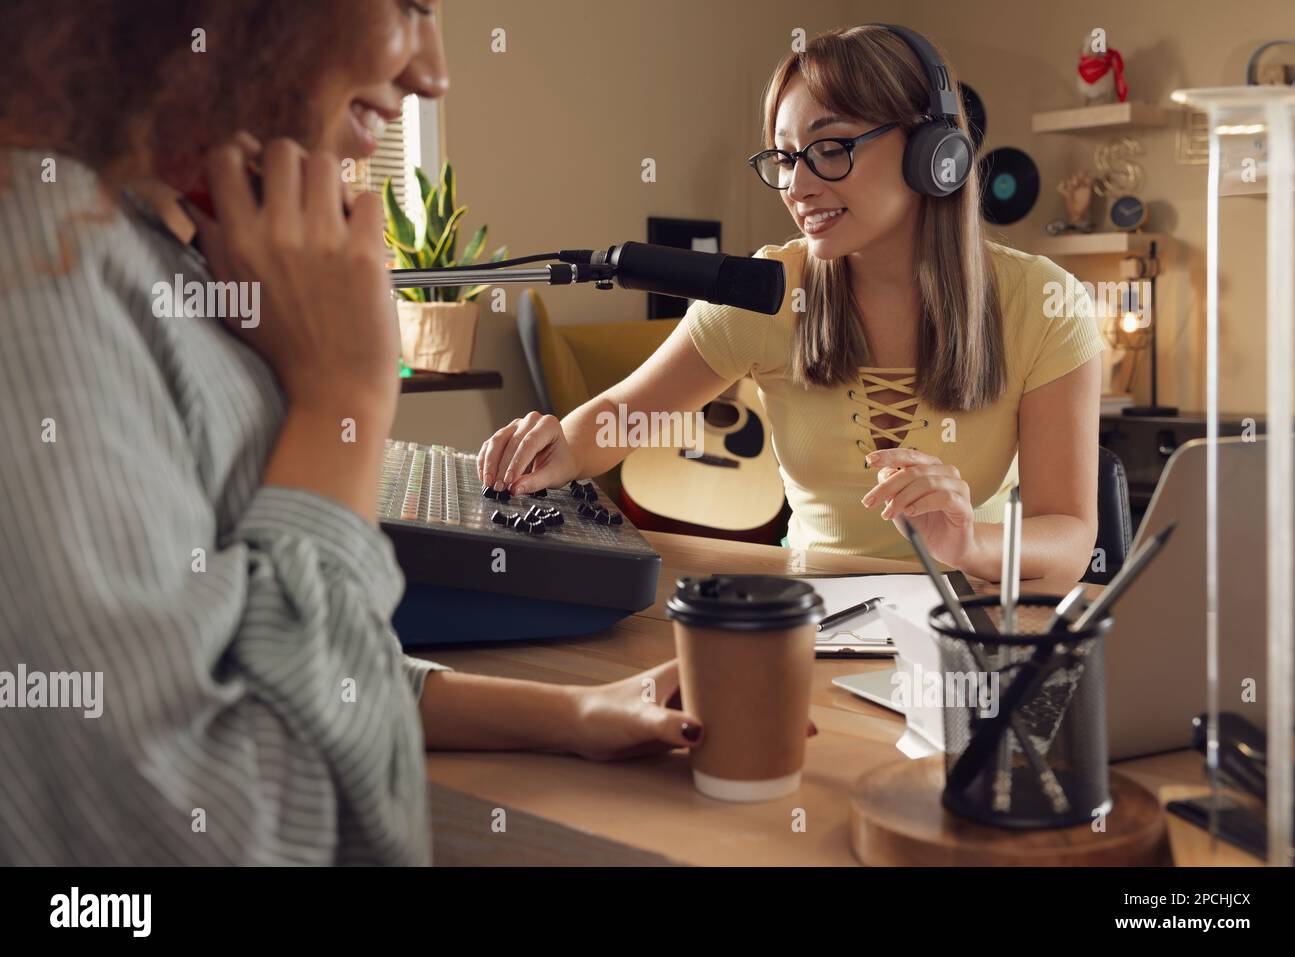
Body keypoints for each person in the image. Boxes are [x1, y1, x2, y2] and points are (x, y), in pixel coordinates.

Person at [0, 0, 704, 866]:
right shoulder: (36, 268)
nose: (432, 71)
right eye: (409, 6)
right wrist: (347, 393)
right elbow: (239, 837)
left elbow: (285, 666)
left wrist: (579, 711)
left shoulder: (161, 250)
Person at [478, 25, 1103, 584]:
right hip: (811, 621)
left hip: (970, 625)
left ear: (932, 154)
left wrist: (972, 546)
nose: (797, 186)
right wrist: (555, 446)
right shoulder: (765, 290)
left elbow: (1070, 536)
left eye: (830, 149)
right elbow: (623, 416)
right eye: (783, 157)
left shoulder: (1043, 304)